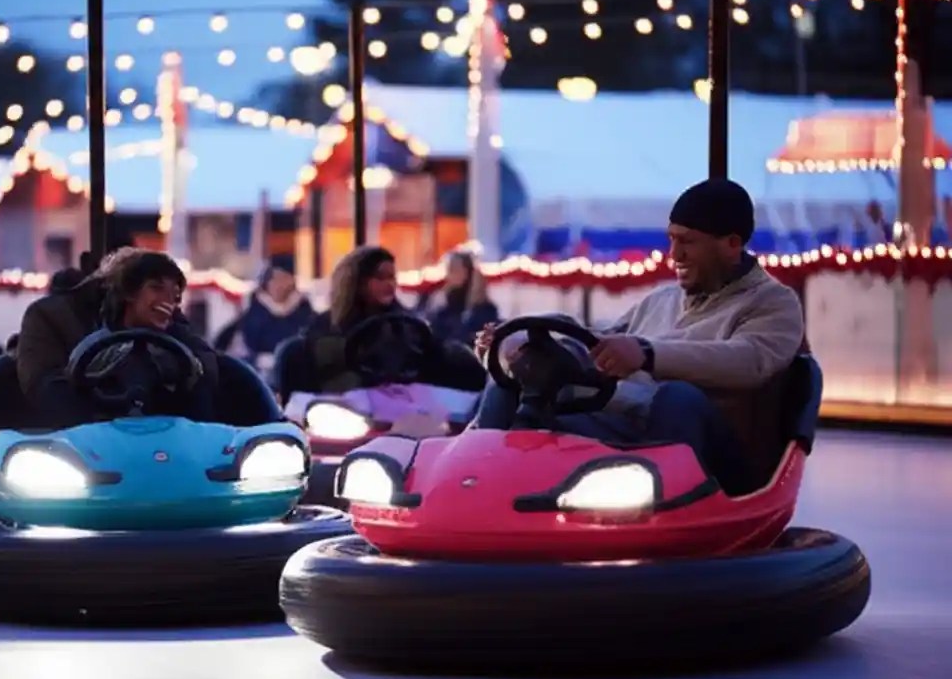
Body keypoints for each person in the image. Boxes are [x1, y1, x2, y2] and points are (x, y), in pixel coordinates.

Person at [472, 178, 806, 495]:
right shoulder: (661, 300)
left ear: (732, 244)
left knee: (679, 397)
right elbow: (602, 345)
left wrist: (647, 353)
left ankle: (669, 513)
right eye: (672, 239)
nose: (675, 255)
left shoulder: (773, 302)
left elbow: (749, 361)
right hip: (627, 429)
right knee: (513, 382)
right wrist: (522, 346)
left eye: (688, 241)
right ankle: (476, 488)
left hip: (710, 449)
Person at [15, 246, 141, 425]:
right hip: (81, 432)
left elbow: (190, 374)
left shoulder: (167, 323)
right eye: (155, 288)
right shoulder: (48, 315)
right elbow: (45, 385)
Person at [92, 250, 220, 421]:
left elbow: (207, 369)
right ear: (129, 292)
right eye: (156, 288)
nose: (166, 300)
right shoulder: (96, 340)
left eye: (173, 295)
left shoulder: (186, 343)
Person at [297, 245, 409, 393]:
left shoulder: (406, 325)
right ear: (357, 281)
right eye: (380, 278)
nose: (390, 284)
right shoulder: (326, 327)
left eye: (392, 277)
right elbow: (328, 378)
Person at [235, 257, 315, 363]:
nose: (278, 285)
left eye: (284, 278)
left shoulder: (304, 311)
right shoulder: (255, 310)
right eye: (274, 279)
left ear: (292, 281)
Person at [421, 250, 499, 346]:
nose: (450, 275)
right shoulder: (443, 308)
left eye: (455, 269)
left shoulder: (484, 310)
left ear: (469, 273)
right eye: (449, 270)